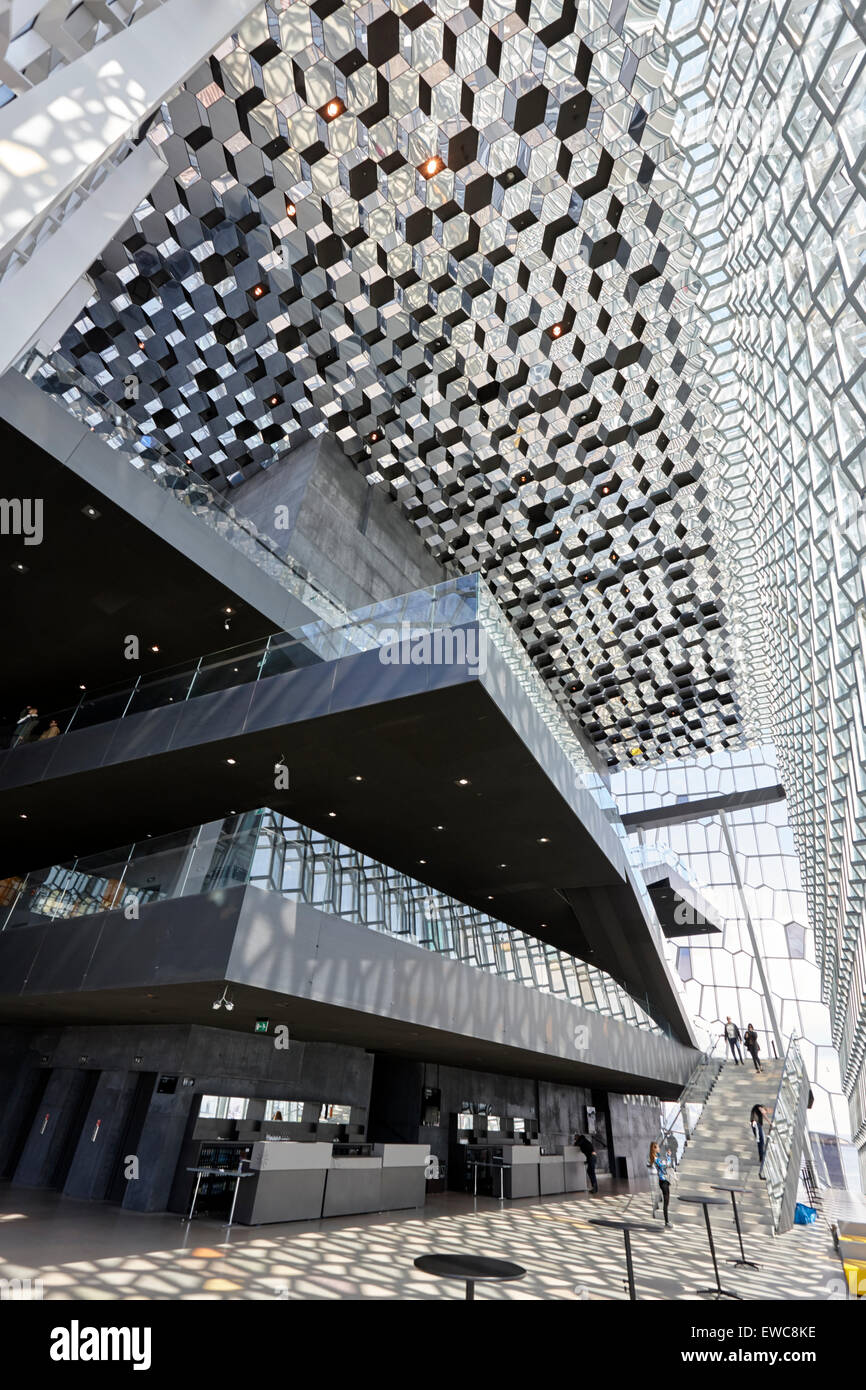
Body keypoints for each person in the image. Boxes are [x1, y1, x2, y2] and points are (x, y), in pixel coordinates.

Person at [649, 1141, 672, 1227]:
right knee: (666, 1203)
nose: (659, 1148)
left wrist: (666, 1155)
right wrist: (668, 1156)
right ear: (654, 1149)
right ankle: (666, 1222)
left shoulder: (656, 1157)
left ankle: (667, 1221)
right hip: (663, 1183)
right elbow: (666, 1164)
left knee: (667, 1202)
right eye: (657, 1147)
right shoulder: (656, 1159)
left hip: (664, 1181)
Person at [750, 1104, 770, 1169]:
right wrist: (770, 1122)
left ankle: (761, 1157)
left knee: (760, 1142)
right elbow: (763, 1113)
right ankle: (762, 1157)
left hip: (754, 1125)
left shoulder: (755, 1109)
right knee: (761, 1141)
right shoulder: (758, 1107)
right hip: (756, 1125)